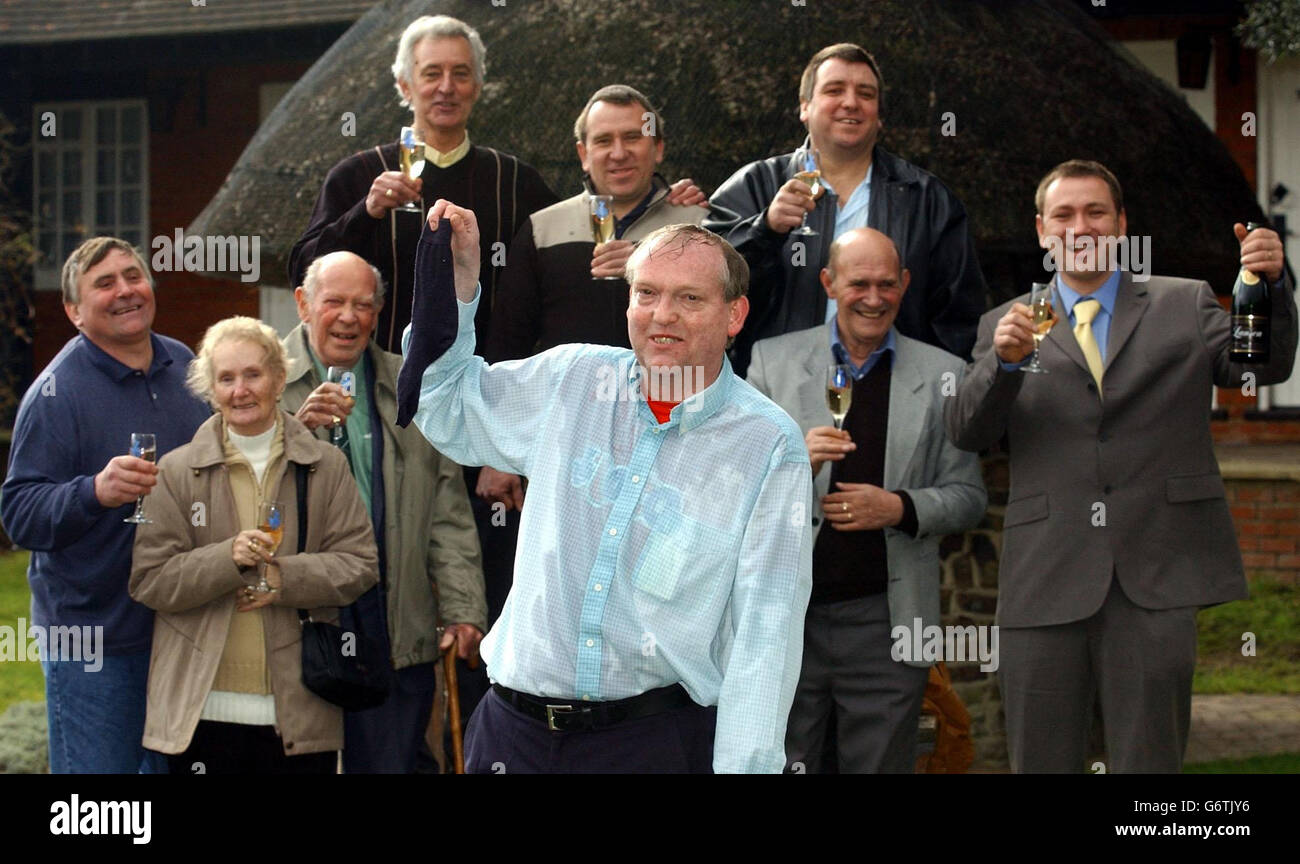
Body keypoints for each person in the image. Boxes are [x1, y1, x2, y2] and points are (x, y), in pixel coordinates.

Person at [405, 204, 813, 773]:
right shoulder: (571, 380)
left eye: (689, 298)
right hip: (511, 739)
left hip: (649, 746)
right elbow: (443, 404)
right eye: (645, 293)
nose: (661, 315)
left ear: (735, 314)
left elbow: (765, 631)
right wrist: (455, 289)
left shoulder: (767, 444)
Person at [945, 159, 1298, 773]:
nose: (1079, 226)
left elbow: (1257, 367)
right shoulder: (1006, 323)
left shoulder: (1183, 303)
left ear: (1120, 224)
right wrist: (1001, 365)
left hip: (1156, 574)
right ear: (1041, 230)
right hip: (1045, 578)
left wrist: (1270, 285)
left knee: (1149, 767)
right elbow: (969, 431)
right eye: (1063, 214)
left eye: (1095, 212)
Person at [476, 83, 710, 652]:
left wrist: (653, 262)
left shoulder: (701, 224)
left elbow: (731, 332)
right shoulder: (544, 228)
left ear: (659, 147)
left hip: (673, 445)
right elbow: (508, 347)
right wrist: (496, 453)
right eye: (603, 140)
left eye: (635, 137)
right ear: (582, 153)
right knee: (556, 598)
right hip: (566, 449)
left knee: (657, 610)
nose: (619, 151)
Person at [748, 228, 986, 773]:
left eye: (886, 284)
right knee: (783, 763)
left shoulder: (945, 375)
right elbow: (729, 487)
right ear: (829, 282)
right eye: (859, 283)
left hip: (888, 621)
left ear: (904, 286)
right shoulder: (771, 362)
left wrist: (899, 507)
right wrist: (792, 461)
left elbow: (969, 497)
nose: (873, 298)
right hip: (787, 614)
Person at [129, 316, 379, 773]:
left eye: (252, 375)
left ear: (279, 379)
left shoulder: (326, 465)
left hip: (300, 715)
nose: (240, 390)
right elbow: (150, 581)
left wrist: (281, 579)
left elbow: (360, 567)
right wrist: (226, 558)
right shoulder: (177, 472)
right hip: (201, 715)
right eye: (226, 378)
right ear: (209, 388)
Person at [0, 237, 211, 773]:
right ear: (73, 311)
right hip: (94, 642)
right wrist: (93, 491)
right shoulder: (56, 393)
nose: (125, 291)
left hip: (179, 629)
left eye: (133, 276)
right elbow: (19, 513)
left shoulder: (184, 364)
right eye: (104, 284)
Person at [281, 250, 487, 773]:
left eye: (364, 305)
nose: (349, 317)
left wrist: (463, 608)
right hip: (298, 635)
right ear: (304, 304)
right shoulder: (263, 383)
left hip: (398, 633)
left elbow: (447, 509)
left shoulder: (410, 387)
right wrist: (292, 437)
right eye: (335, 302)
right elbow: (239, 503)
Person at [706, 42, 986, 377]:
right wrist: (764, 230)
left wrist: (930, 391)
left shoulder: (927, 199)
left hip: (889, 387)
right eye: (834, 90)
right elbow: (705, 285)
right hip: (775, 389)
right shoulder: (755, 185)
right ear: (805, 107)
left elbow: (958, 315)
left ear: (879, 115)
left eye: (865, 94)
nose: (851, 102)